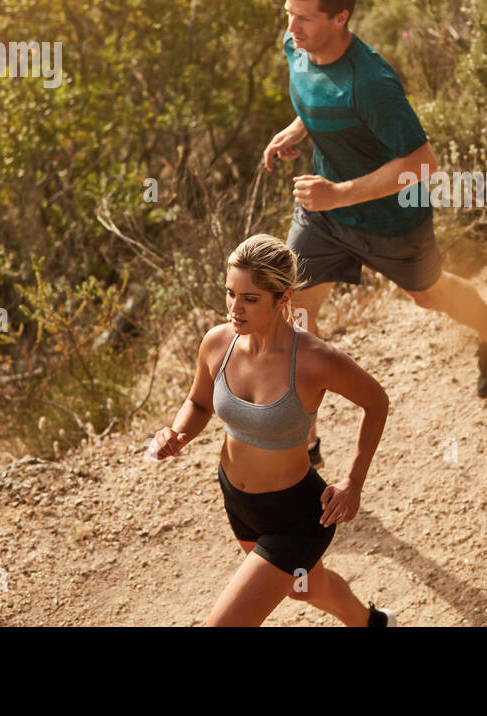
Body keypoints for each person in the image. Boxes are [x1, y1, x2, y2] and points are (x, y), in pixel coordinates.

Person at [262, 0, 487, 464]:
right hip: (322, 217)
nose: (292, 28)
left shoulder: (372, 83)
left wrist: (339, 193)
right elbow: (314, 94)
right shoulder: (297, 45)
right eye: (288, 13)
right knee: (292, 311)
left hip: (390, 218)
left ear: (341, 18)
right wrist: (298, 130)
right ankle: (304, 444)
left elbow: (424, 163)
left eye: (305, 17)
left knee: (429, 295)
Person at [152, 234, 395, 626]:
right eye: (230, 293)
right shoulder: (217, 343)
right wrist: (177, 433)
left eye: (250, 298)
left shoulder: (315, 360)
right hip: (240, 504)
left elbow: (376, 403)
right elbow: (199, 403)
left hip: (295, 517)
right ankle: (372, 623)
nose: (234, 307)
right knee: (306, 587)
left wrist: (353, 482)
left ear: (283, 299)